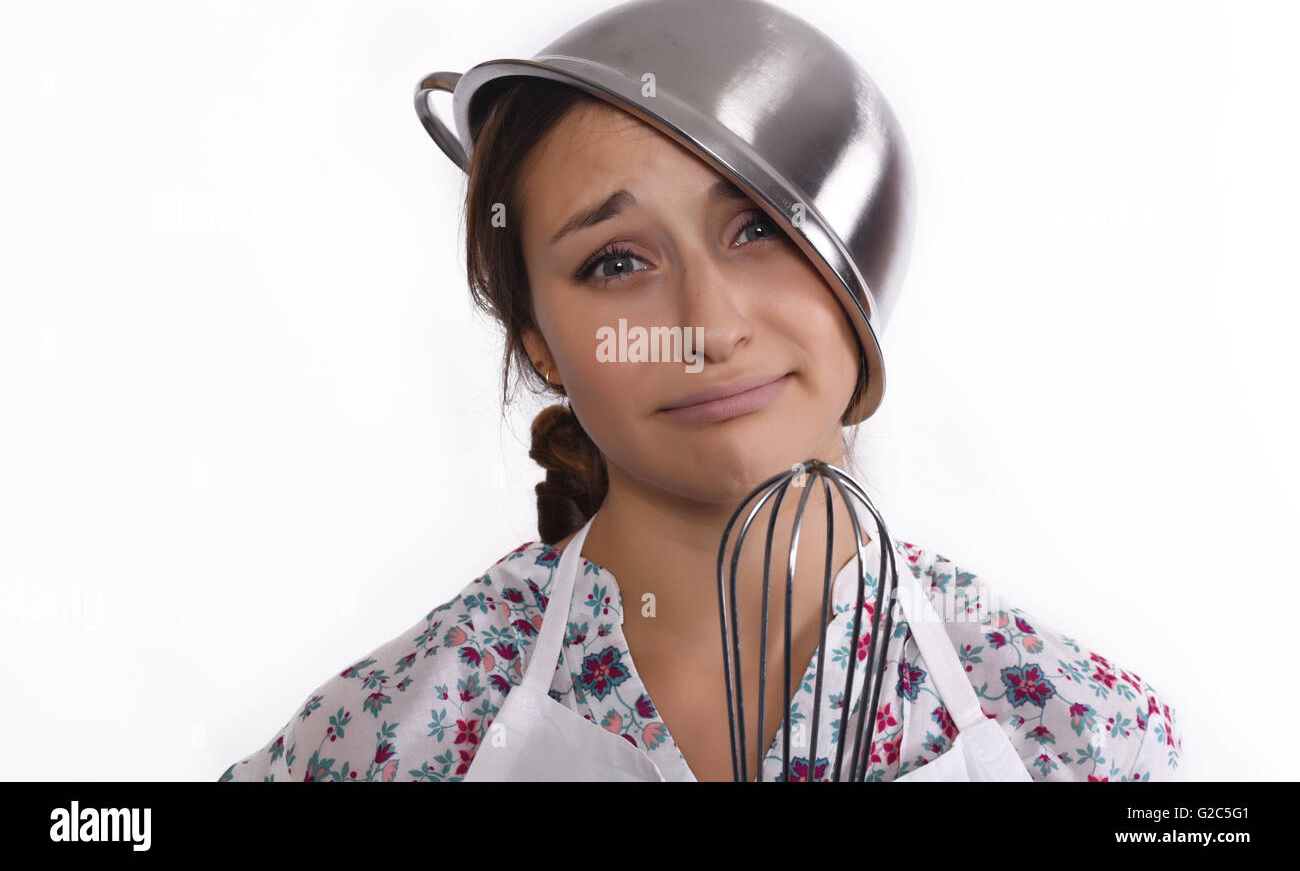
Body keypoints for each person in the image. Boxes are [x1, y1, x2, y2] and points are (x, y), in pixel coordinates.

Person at [218, 76, 1182, 782]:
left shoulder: (1087, 734)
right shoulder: (393, 737)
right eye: (615, 261)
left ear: (855, 270)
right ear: (540, 345)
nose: (710, 327)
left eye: (759, 227)